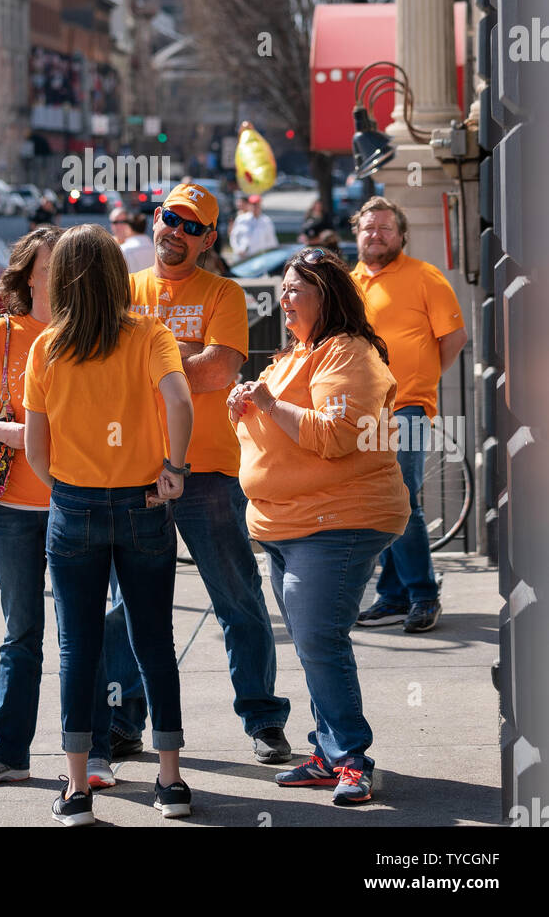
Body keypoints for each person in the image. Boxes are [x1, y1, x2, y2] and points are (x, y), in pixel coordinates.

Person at [102, 182, 291, 767]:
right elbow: (103, 371)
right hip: (131, 470)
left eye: (190, 226)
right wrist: (177, 358)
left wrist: (148, 360)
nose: (175, 232)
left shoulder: (224, 293)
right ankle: (123, 721)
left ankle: (262, 719)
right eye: (168, 219)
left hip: (207, 472)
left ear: (210, 238)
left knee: (237, 600)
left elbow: (218, 371)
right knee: (126, 608)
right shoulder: (125, 290)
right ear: (155, 220)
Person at [24, 225, 195, 826]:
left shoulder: (46, 346)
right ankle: (170, 780)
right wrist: (174, 468)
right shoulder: (149, 332)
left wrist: (63, 485)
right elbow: (179, 400)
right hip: (144, 500)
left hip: (75, 504)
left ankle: (77, 790)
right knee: (154, 641)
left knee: (78, 647)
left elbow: (34, 443)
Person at [228, 247, 410, 805]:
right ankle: (329, 752)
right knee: (312, 644)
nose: (284, 298)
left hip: (338, 518)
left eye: (295, 289)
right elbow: (274, 428)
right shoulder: (295, 354)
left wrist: (267, 402)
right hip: (285, 522)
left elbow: (334, 434)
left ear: (325, 296)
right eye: (283, 288)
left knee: (318, 640)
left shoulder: (347, 353)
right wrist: (245, 405)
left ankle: (351, 757)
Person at [0, 225, 112, 790]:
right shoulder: (1, 335)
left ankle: (94, 754)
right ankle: (7, 751)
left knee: (83, 633)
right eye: (49, 267)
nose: (62, 276)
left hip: (81, 502)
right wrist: (14, 433)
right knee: (22, 633)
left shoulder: (92, 331)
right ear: (26, 275)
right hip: (14, 508)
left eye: (69, 266)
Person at [351, 199, 468, 634]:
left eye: (385, 227)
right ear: (356, 234)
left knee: (402, 500)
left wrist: (422, 377)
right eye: (368, 227)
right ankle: (393, 596)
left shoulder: (424, 276)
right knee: (383, 505)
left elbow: (454, 336)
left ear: (401, 235)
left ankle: (423, 595)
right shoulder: (350, 282)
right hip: (363, 411)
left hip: (408, 406)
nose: (376, 234)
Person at [229, 193, 277, 260]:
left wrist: (271, 255)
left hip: (259, 258)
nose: (255, 207)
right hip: (242, 257)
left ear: (260, 205)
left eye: (257, 205)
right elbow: (233, 236)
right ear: (249, 205)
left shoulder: (266, 221)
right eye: (253, 205)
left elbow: (271, 241)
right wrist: (237, 250)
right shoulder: (241, 219)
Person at [109, 207, 155, 273]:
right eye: (114, 222)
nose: (119, 226)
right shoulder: (109, 244)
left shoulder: (123, 250)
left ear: (129, 226)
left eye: (123, 222)